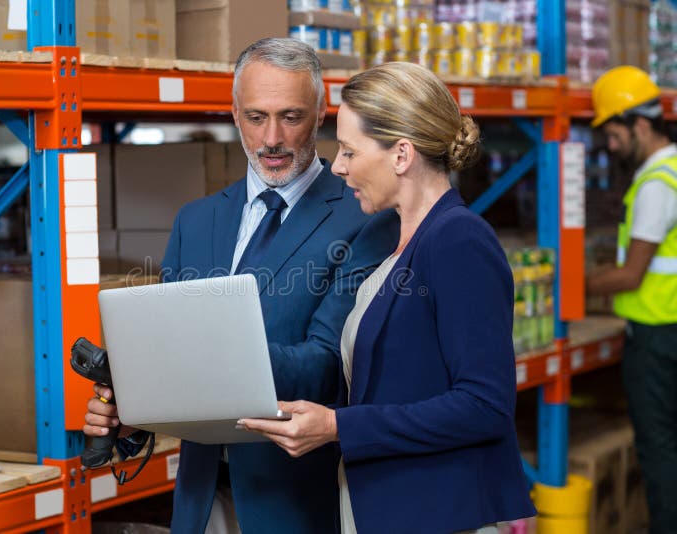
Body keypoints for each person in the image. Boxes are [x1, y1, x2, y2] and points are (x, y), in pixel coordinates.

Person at [83, 38, 399, 534]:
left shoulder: (364, 218)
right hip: (202, 498)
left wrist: (205, 354)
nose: (271, 138)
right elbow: (172, 374)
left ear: (321, 113)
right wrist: (132, 407)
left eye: (290, 117)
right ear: (234, 113)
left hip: (297, 499)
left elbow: (329, 365)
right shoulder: (197, 220)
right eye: (255, 117)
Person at [240, 62, 536, 533]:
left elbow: (485, 405)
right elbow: (400, 384)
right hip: (386, 507)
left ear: (401, 155)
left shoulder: (458, 240)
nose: (337, 166)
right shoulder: (396, 243)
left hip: (437, 515)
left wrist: (339, 427)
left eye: (349, 151)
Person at [586, 65, 677, 534]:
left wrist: (568, 286)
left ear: (641, 124)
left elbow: (631, 273)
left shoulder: (658, 184)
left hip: (659, 339)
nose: (612, 146)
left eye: (616, 134)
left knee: (660, 450)